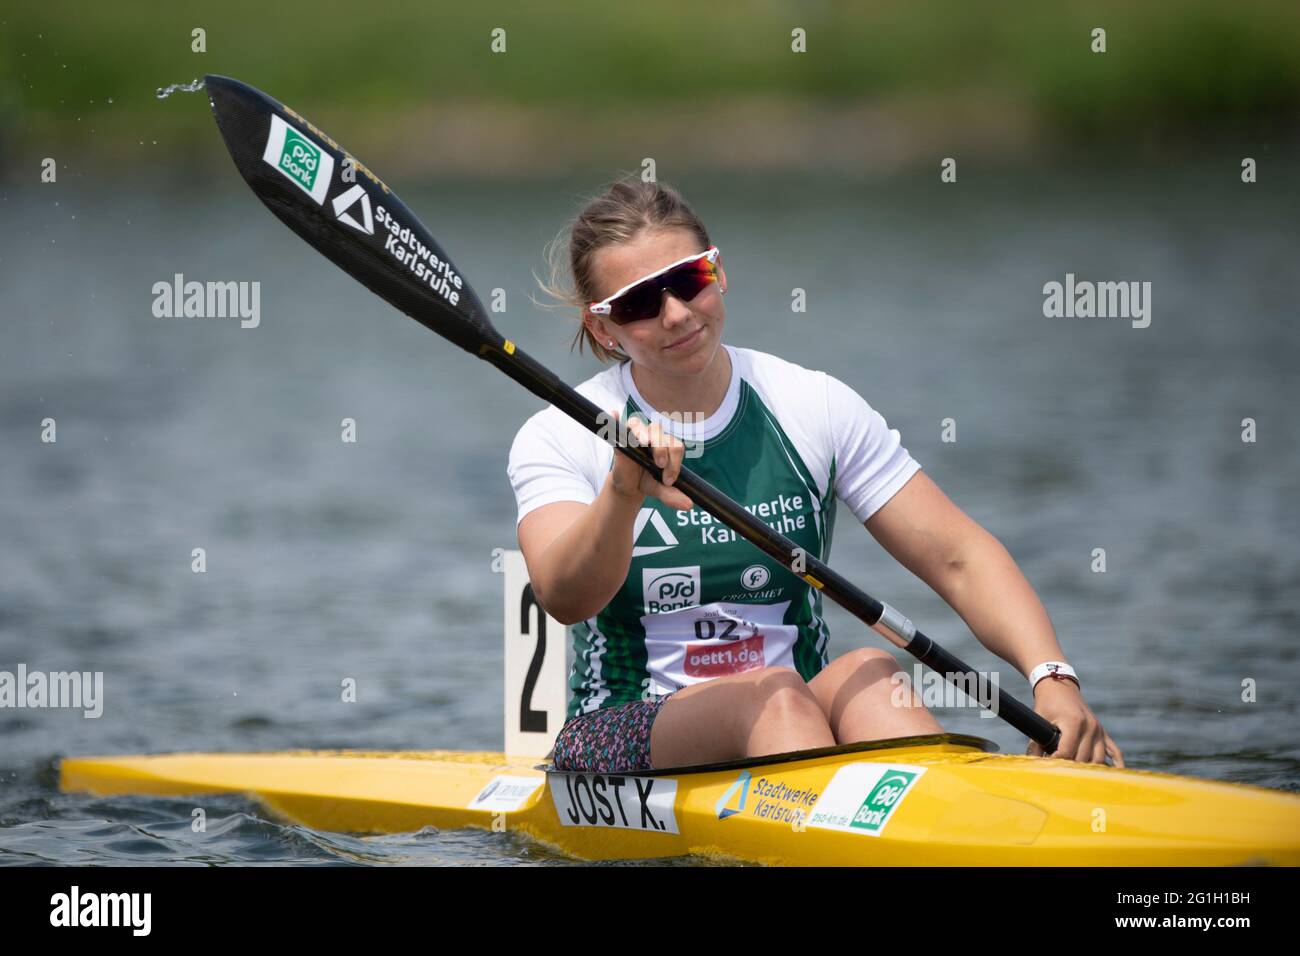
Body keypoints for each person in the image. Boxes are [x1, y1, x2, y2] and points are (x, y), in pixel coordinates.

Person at [507, 176, 1122, 774]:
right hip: (618, 730)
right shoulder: (561, 434)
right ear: (602, 327)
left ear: (717, 272)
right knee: (770, 692)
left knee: (876, 677)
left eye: (690, 280)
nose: (675, 314)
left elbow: (958, 555)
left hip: (794, 714)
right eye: (640, 302)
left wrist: (1054, 681)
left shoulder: (811, 404)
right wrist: (622, 489)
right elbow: (564, 598)